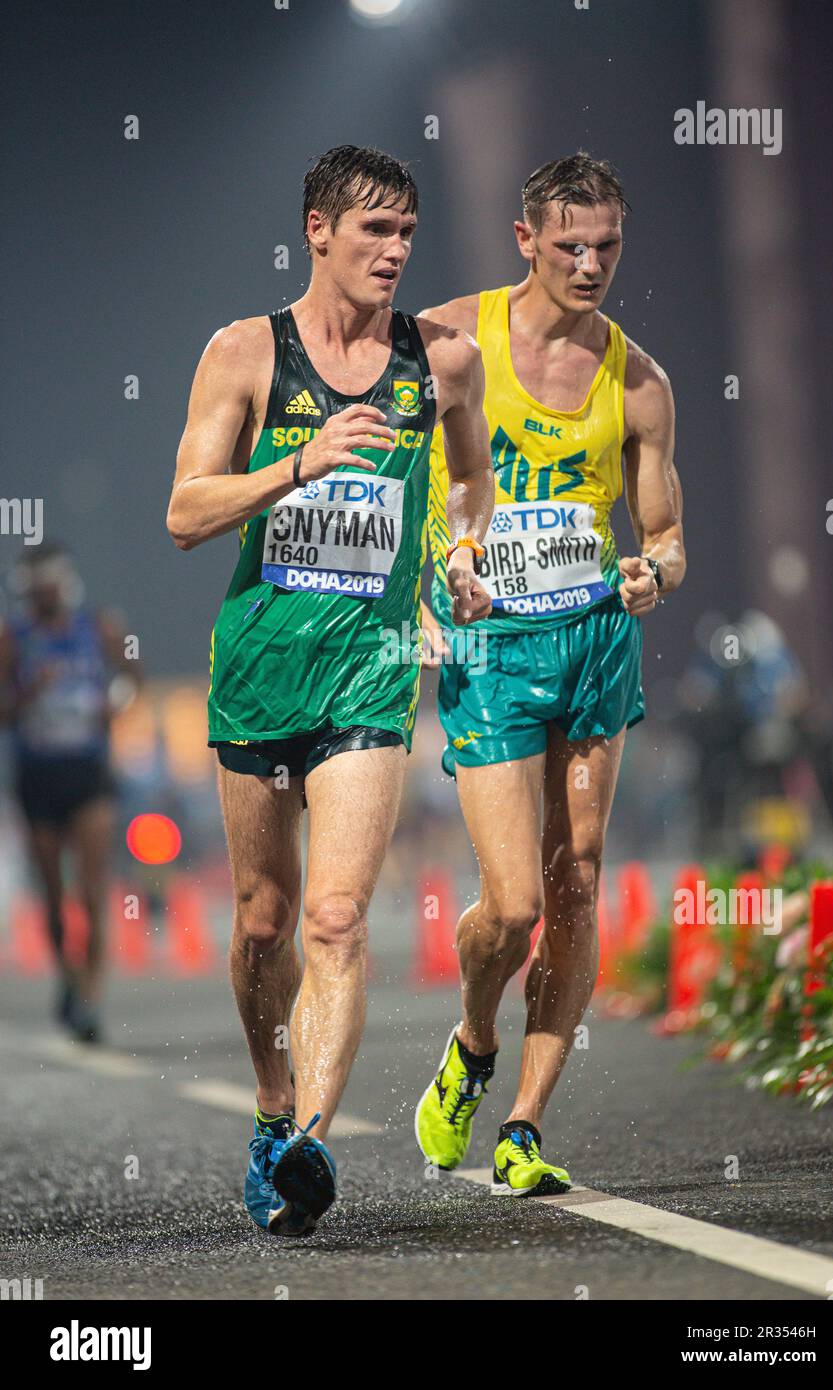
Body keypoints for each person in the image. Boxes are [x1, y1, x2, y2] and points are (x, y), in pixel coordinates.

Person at [167, 146, 494, 1235]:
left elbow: (469, 492)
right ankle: (270, 1106)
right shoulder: (243, 352)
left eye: (407, 231)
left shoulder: (441, 359)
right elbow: (185, 513)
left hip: (372, 665)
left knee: (339, 917)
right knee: (263, 922)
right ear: (317, 230)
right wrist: (296, 465)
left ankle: (307, 1141)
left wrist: (461, 560)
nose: (396, 252)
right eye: (374, 232)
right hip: (260, 663)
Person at [415, 152, 686, 1195]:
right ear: (521, 238)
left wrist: (651, 572)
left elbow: (663, 533)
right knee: (514, 902)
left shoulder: (641, 381)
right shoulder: (449, 339)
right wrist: (438, 569)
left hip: (590, 642)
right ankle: (474, 1041)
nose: (588, 263)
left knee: (576, 876)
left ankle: (522, 1126)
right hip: (491, 643)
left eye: (606, 245)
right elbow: (388, 469)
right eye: (567, 243)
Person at [0, 544, 136, 1042]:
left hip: (88, 772)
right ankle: (67, 974)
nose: (45, 593)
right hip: (38, 777)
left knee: (92, 891)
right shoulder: (12, 639)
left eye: (52, 583)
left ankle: (91, 999)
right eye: (37, 586)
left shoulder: (96, 627)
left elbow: (132, 680)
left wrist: (112, 705)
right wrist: (24, 696)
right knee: (54, 898)